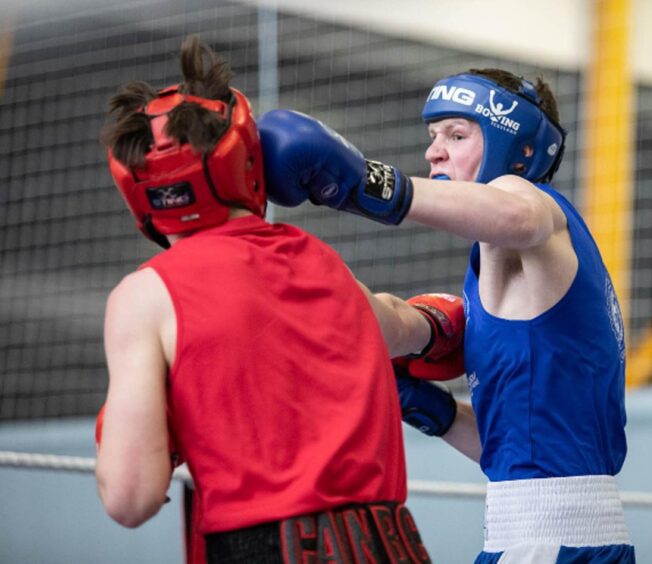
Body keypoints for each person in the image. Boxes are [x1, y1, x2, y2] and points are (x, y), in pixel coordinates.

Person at [94, 35, 466, 564]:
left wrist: (129, 431)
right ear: (249, 158)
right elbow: (420, 325)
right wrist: (448, 321)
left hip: (262, 545)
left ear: (139, 193)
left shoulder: (144, 297)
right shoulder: (327, 265)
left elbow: (131, 498)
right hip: (391, 543)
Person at [259, 69, 634, 563]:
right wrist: (426, 406)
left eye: (456, 135)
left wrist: (366, 185)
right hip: (559, 535)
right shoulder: (514, 270)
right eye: (433, 136)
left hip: (546, 543)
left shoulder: (535, 207)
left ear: (519, 150)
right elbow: (522, 453)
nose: (434, 151)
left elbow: (518, 215)